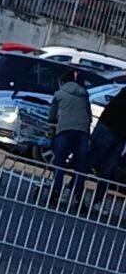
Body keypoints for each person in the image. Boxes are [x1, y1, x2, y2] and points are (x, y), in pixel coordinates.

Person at [47, 70, 92, 209]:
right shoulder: (84, 95)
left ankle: (55, 194)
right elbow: (89, 117)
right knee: (81, 167)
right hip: (82, 132)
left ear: (62, 82)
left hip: (64, 130)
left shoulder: (58, 95)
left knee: (59, 164)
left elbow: (52, 117)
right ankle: (78, 198)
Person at [89, 87, 126, 209]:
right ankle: (97, 201)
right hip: (115, 132)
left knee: (93, 162)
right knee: (104, 168)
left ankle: (74, 192)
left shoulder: (122, 94)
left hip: (111, 130)